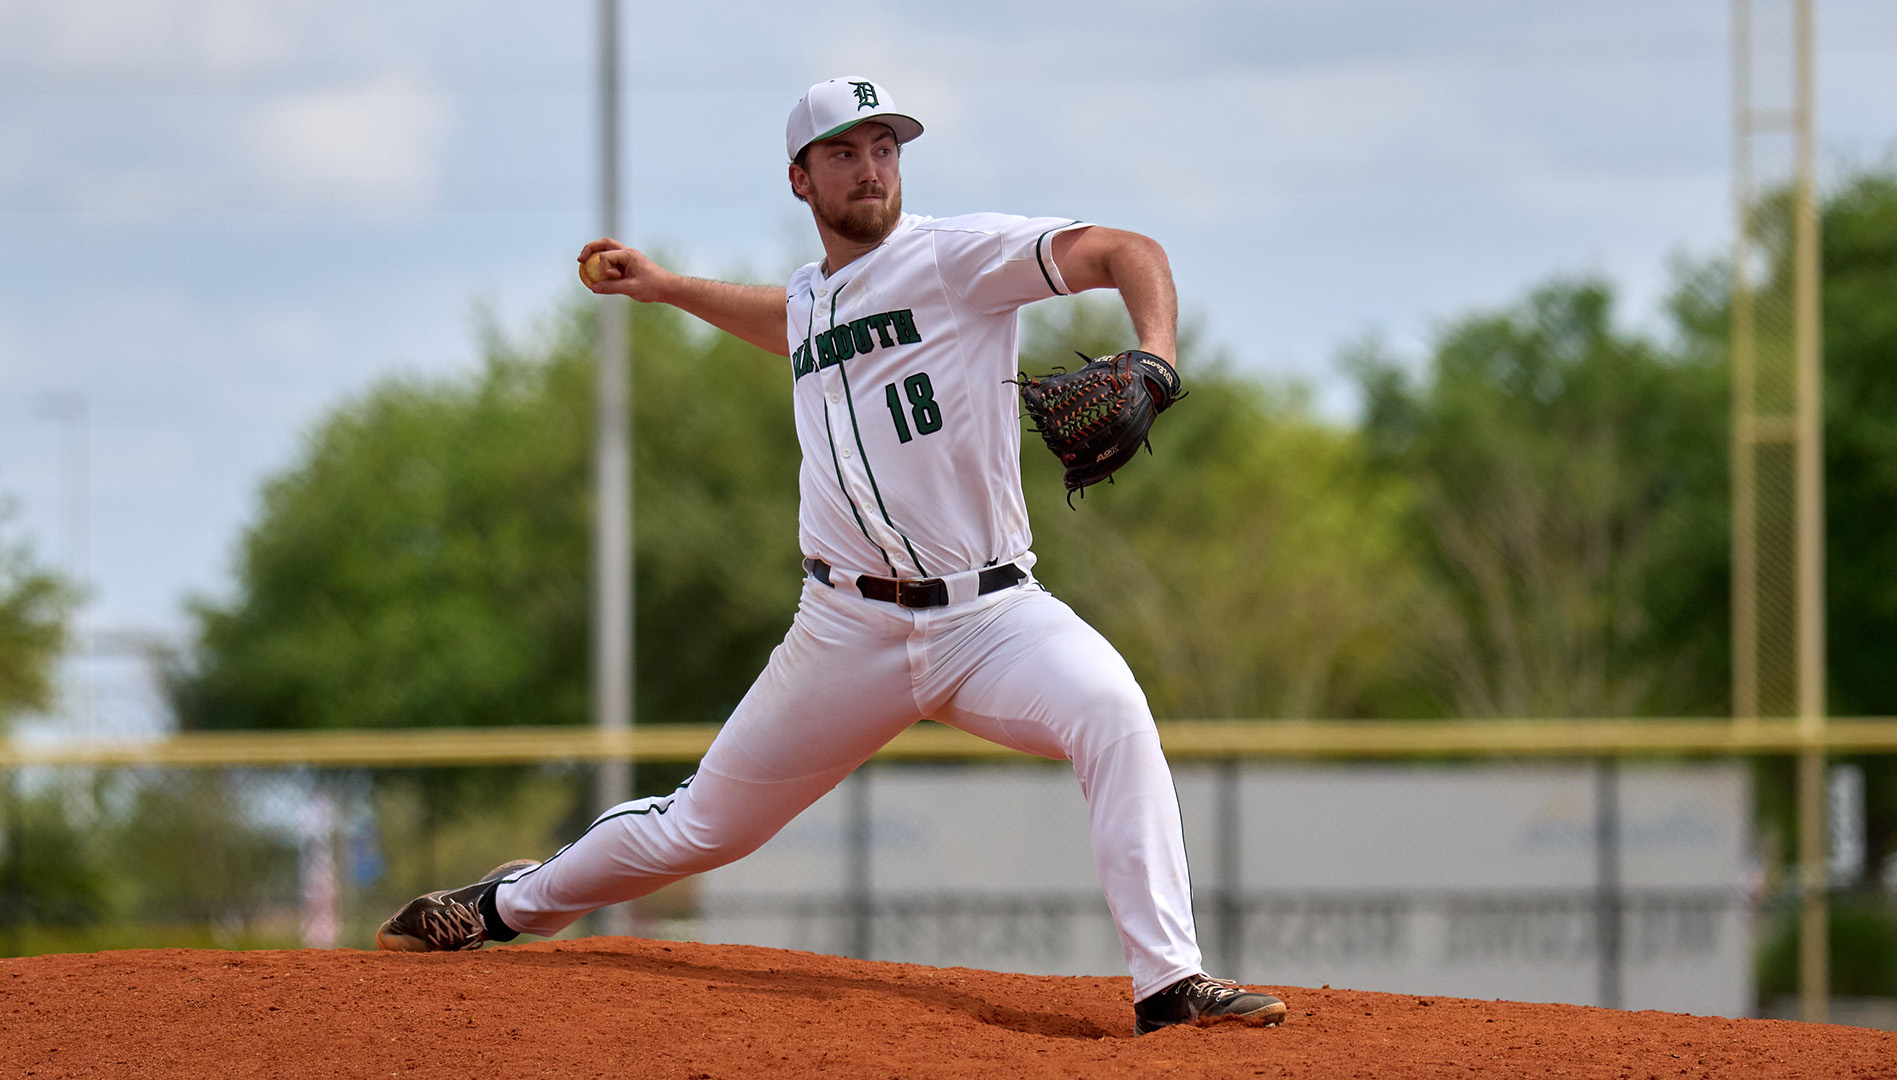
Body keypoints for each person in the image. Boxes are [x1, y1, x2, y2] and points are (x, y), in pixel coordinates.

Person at [376, 76, 1284, 1037]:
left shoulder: (956, 258)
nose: (872, 169)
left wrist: (1154, 354)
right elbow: (794, 322)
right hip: (846, 628)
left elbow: (1125, 249)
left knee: (1112, 709)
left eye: (886, 148)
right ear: (802, 180)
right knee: (701, 829)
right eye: (846, 153)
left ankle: (1168, 984)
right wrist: (667, 285)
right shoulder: (818, 296)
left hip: (992, 618)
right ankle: (506, 906)